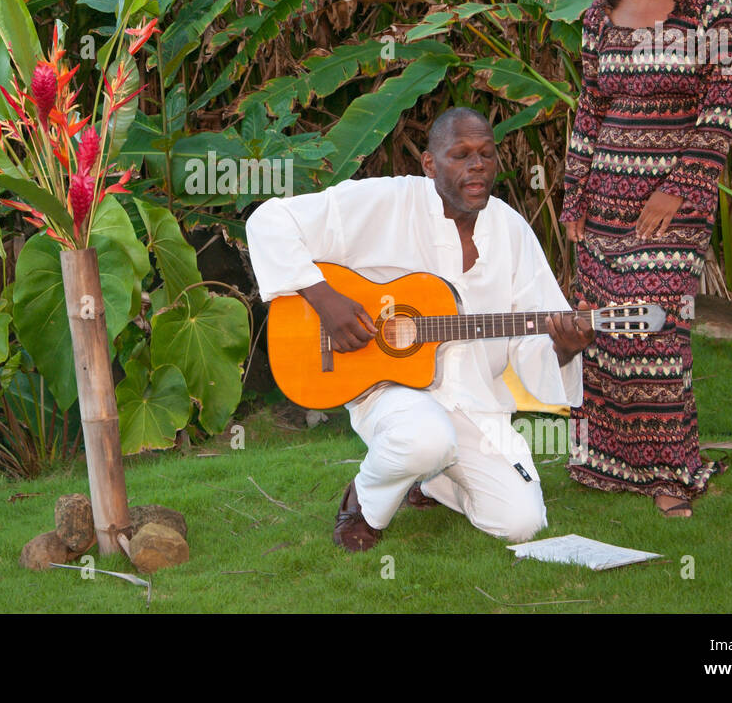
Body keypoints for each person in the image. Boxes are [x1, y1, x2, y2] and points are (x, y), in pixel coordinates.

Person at [248, 108, 595, 551]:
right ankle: (366, 503)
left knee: (522, 523)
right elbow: (269, 221)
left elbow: (535, 331)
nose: (478, 165)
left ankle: (427, 480)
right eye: (462, 155)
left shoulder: (510, 230)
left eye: (487, 154)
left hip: (473, 401)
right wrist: (324, 298)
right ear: (430, 164)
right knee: (425, 437)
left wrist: (564, 348)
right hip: (385, 388)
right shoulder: (385, 202)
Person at [561, 0, 732, 518]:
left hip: (674, 202)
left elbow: (721, 109)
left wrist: (677, 187)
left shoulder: (709, 10)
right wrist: (572, 198)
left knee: (658, 328)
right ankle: (610, 463)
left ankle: (670, 471)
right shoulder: (597, 17)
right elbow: (589, 112)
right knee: (607, 334)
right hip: (604, 194)